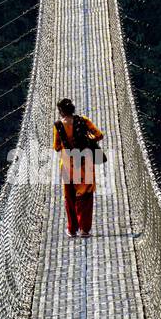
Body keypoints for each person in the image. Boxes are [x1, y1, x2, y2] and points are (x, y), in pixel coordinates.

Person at [53, 98, 103, 237]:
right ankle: (84, 230)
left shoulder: (58, 125)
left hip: (67, 164)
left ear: (61, 111)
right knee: (85, 196)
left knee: (70, 197)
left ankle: (72, 229)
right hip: (84, 163)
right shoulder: (83, 120)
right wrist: (87, 139)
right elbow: (99, 135)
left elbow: (57, 147)